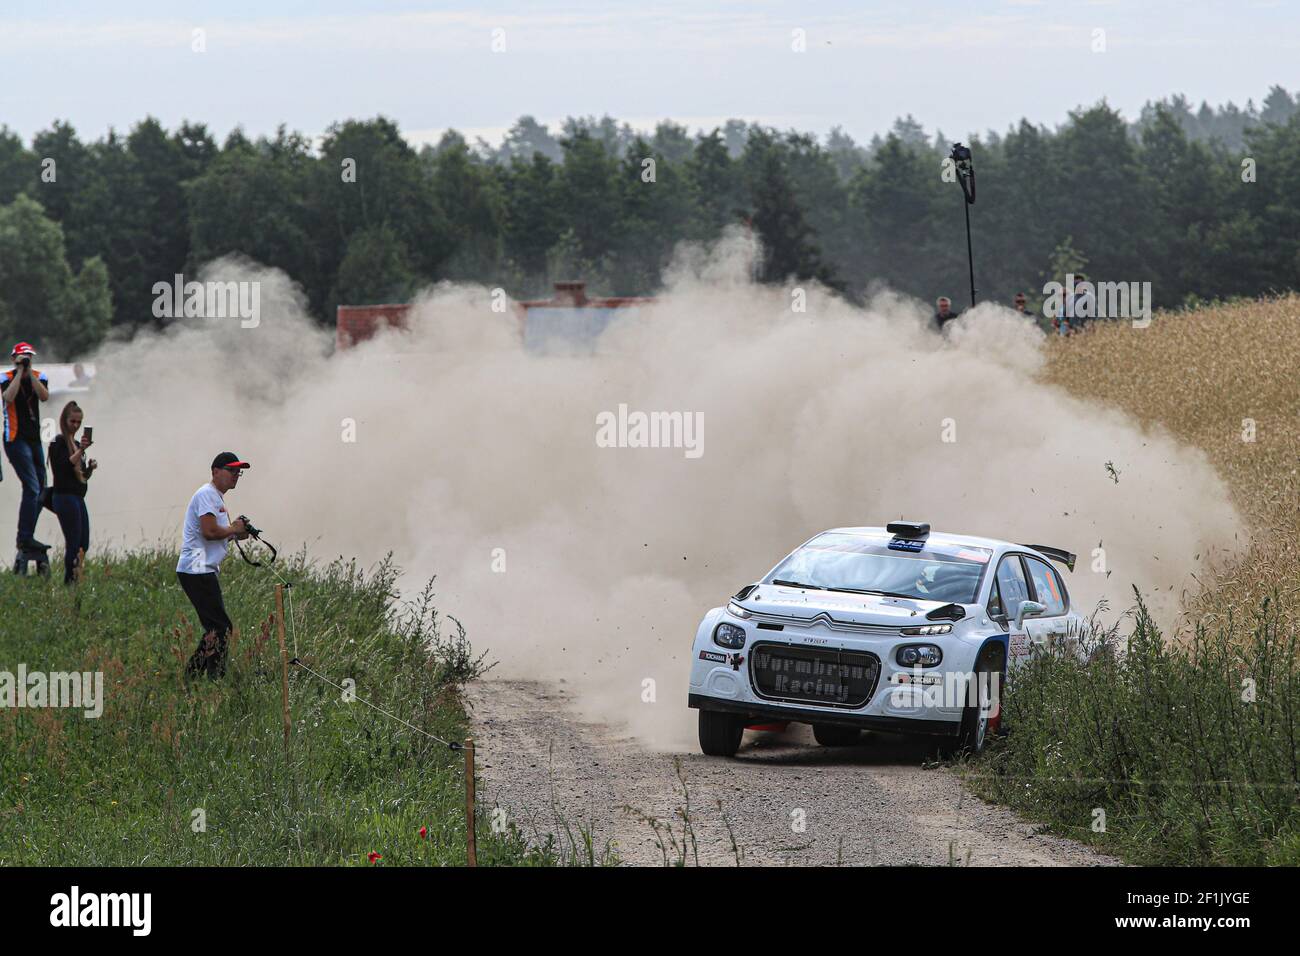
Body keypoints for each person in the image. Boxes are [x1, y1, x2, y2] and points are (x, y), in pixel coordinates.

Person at [176, 452, 251, 679]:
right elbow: (209, 532)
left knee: (216, 628)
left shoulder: (215, 497)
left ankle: (193, 676)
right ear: (215, 471)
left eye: (239, 472)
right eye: (231, 470)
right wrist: (234, 529)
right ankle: (213, 678)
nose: (235, 475)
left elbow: (216, 533)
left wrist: (237, 534)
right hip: (197, 567)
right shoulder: (207, 495)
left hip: (200, 567)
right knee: (221, 628)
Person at [2, 342, 50, 553]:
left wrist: (29, 373)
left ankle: (27, 533)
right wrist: (19, 371)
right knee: (31, 486)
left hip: (34, 439)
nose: (26, 359)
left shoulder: (39, 376)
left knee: (41, 486)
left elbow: (44, 396)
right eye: (22, 357)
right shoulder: (6, 377)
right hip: (14, 439)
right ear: (14, 359)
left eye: (28, 356)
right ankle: (24, 537)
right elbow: (7, 397)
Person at [47, 401, 96, 584]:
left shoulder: (75, 444)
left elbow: (79, 475)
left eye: (78, 422)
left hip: (77, 497)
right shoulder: (57, 442)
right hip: (64, 497)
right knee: (74, 542)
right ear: (64, 420)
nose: (75, 426)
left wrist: (89, 469)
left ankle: (76, 576)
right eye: (72, 421)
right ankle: (70, 580)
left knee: (83, 542)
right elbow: (61, 468)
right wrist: (81, 450)